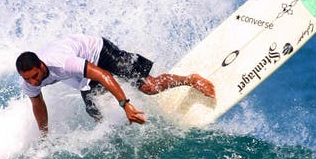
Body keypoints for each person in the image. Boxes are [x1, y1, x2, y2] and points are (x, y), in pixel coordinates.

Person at [16, 35, 215, 134]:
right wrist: (44, 134)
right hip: (84, 76)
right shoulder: (29, 81)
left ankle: (191, 79)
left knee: (149, 87)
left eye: (35, 76)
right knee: (95, 112)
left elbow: (102, 75)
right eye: (28, 79)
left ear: (41, 65)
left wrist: (125, 104)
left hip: (98, 50)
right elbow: (38, 104)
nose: (34, 81)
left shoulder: (62, 63)